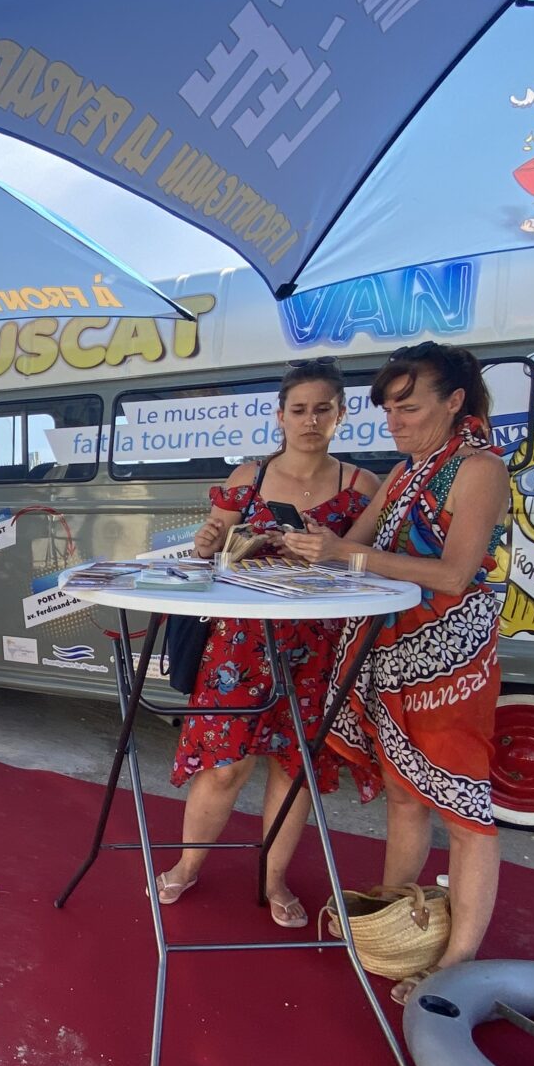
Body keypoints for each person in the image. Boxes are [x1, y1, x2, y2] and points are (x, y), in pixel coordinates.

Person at [279, 341, 511, 1004]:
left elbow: (453, 573)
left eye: (408, 408)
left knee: (464, 811)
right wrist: (301, 544)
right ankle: (391, 916)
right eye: (387, 409)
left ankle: (457, 960)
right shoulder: (408, 471)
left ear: (455, 401)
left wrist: (345, 555)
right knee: (404, 796)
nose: (395, 422)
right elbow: (353, 542)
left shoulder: (479, 468)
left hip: (450, 663)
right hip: (390, 652)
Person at [157, 359, 382, 926]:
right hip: (240, 644)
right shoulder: (248, 476)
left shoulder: (361, 485)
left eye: (322, 409)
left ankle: (273, 878)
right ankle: (187, 865)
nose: (310, 420)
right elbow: (209, 550)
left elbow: (369, 567)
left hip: (318, 646)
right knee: (224, 765)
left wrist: (332, 553)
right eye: (299, 410)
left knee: (293, 768)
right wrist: (206, 542)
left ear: (341, 413)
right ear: (280, 416)